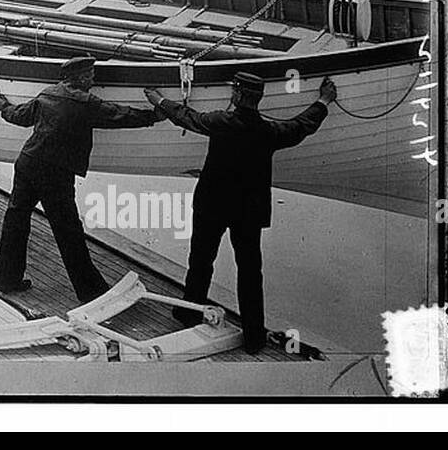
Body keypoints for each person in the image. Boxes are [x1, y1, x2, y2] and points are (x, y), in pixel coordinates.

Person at [144, 72, 337, 353]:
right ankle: (254, 338)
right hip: (248, 211)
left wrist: (158, 99)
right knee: (249, 272)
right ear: (259, 98)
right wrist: (323, 100)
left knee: (201, 260)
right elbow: (300, 126)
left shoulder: (221, 122)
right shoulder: (268, 131)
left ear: (235, 95)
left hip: (212, 204)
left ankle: (189, 312)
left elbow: (187, 117)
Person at [0, 55, 164, 301]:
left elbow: (20, 116)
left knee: (16, 219)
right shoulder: (86, 102)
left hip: (28, 163)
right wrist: (154, 116)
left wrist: (4, 106)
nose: (93, 80)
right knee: (68, 231)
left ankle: (6, 280)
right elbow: (119, 115)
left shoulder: (48, 94)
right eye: (90, 76)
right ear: (79, 78)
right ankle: (91, 292)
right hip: (55, 172)